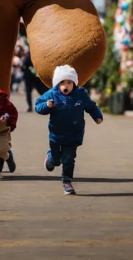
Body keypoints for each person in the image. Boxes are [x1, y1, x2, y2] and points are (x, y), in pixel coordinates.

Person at [34, 64, 103, 195]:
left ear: (74, 83)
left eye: (69, 82)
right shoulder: (52, 94)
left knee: (68, 158)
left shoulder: (80, 94)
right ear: (57, 84)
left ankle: (67, 181)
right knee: (56, 160)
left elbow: (91, 106)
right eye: (62, 83)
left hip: (73, 135)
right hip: (56, 135)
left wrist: (97, 116)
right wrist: (47, 106)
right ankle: (51, 158)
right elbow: (38, 105)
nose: (66, 86)